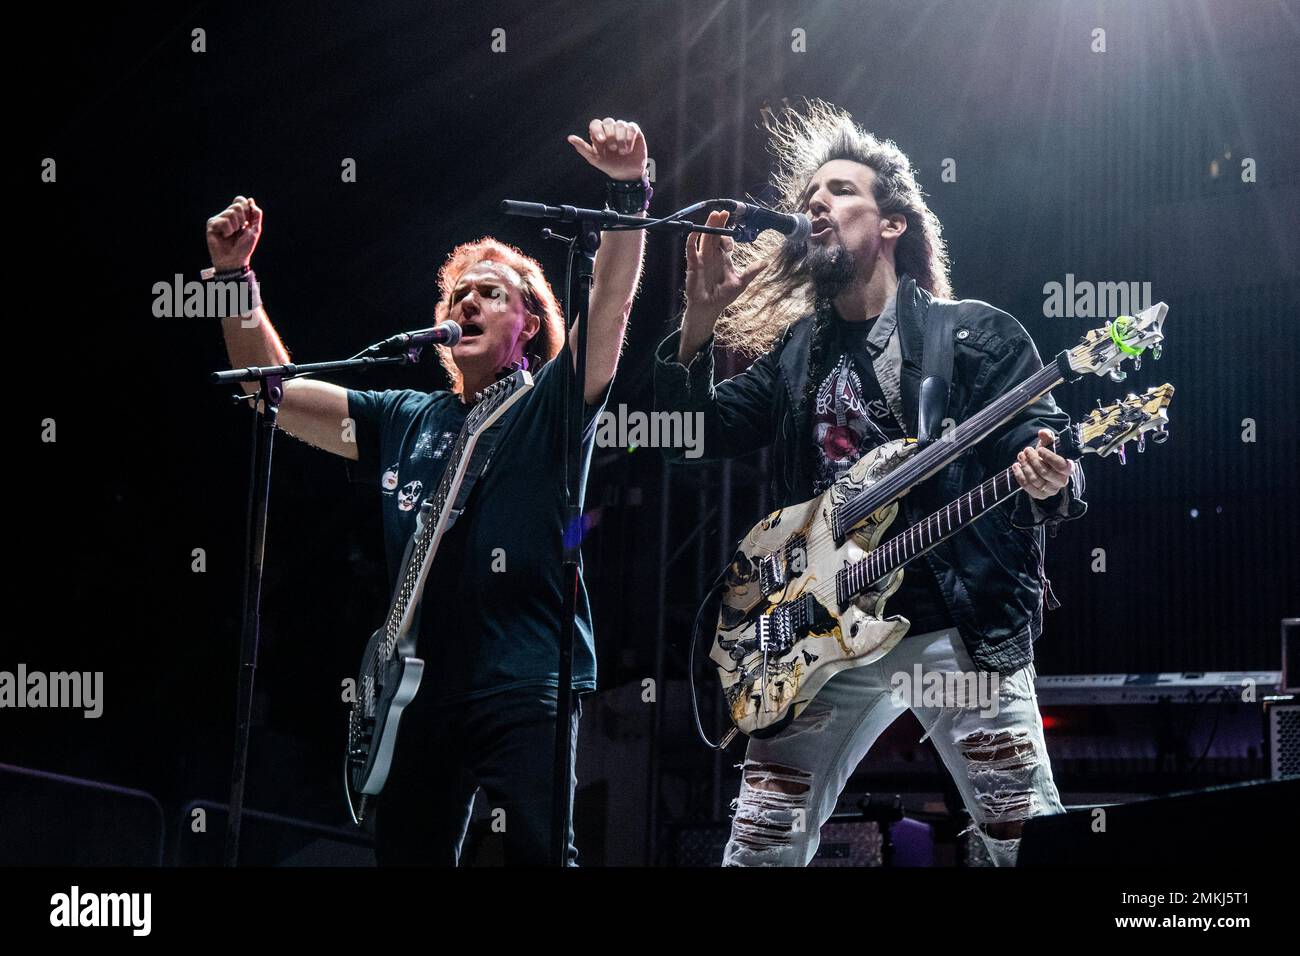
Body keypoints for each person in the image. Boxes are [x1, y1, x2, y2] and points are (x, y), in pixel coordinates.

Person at [654, 100, 1085, 866]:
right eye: (809, 197)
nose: (815, 205)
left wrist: (1050, 475)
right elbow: (686, 439)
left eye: (840, 191)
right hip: (816, 634)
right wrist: (697, 322)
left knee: (1021, 839)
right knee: (759, 847)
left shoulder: (976, 335)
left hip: (954, 627)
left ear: (893, 224)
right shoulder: (795, 356)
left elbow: (1040, 442)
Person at [212, 117, 650, 865]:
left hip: (526, 676)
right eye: (457, 296)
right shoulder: (403, 417)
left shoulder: (550, 404)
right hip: (416, 690)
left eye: (491, 294)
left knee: (544, 854)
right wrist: (232, 282)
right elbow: (269, 394)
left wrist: (626, 193)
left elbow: (607, 303)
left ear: (530, 325)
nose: (467, 305)